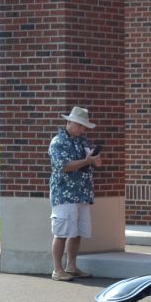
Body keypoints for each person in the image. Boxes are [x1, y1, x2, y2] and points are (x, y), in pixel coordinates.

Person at [49, 106, 102, 281]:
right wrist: (86, 161)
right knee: (62, 232)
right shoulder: (58, 142)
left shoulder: (82, 142)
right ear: (69, 122)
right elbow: (63, 166)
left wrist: (94, 160)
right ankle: (57, 270)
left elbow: (94, 163)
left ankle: (71, 266)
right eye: (79, 125)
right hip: (65, 193)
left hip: (82, 193)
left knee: (77, 231)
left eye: (84, 126)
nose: (82, 129)